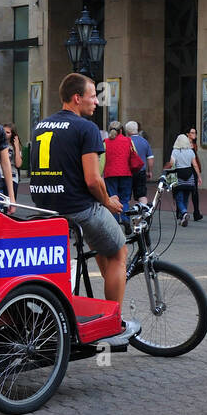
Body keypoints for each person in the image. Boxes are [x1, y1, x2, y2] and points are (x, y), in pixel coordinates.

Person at [30, 74, 126, 303]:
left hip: (46, 208)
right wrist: (107, 201)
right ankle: (114, 319)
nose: (96, 102)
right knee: (119, 253)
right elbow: (93, 180)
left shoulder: (41, 125)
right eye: (93, 97)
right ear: (77, 98)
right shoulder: (86, 128)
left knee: (102, 245)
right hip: (78, 207)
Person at [102, 121, 139, 221]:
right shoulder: (128, 140)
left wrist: (99, 173)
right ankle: (126, 219)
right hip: (126, 173)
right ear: (121, 130)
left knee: (113, 199)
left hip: (110, 174)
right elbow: (134, 153)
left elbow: (102, 160)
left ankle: (115, 223)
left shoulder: (105, 142)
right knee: (125, 200)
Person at [164, 131, 203, 225]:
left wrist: (166, 169)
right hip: (190, 176)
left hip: (179, 176)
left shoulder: (175, 151)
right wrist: (199, 176)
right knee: (185, 198)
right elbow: (195, 165)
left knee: (178, 198)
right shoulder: (190, 151)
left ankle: (184, 213)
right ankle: (182, 217)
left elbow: (172, 164)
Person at [125, 120, 154, 206]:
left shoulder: (125, 141)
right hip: (141, 172)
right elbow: (150, 158)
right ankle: (144, 214)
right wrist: (150, 171)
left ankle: (125, 216)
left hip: (127, 172)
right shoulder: (144, 141)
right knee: (142, 195)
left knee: (126, 196)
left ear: (127, 131)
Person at [2, 122, 25, 188]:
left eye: (8, 132)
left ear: (12, 134)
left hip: (12, 178)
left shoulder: (15, 147)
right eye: (3, 131)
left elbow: (18, 164)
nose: (4, 134)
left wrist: (17, 146)